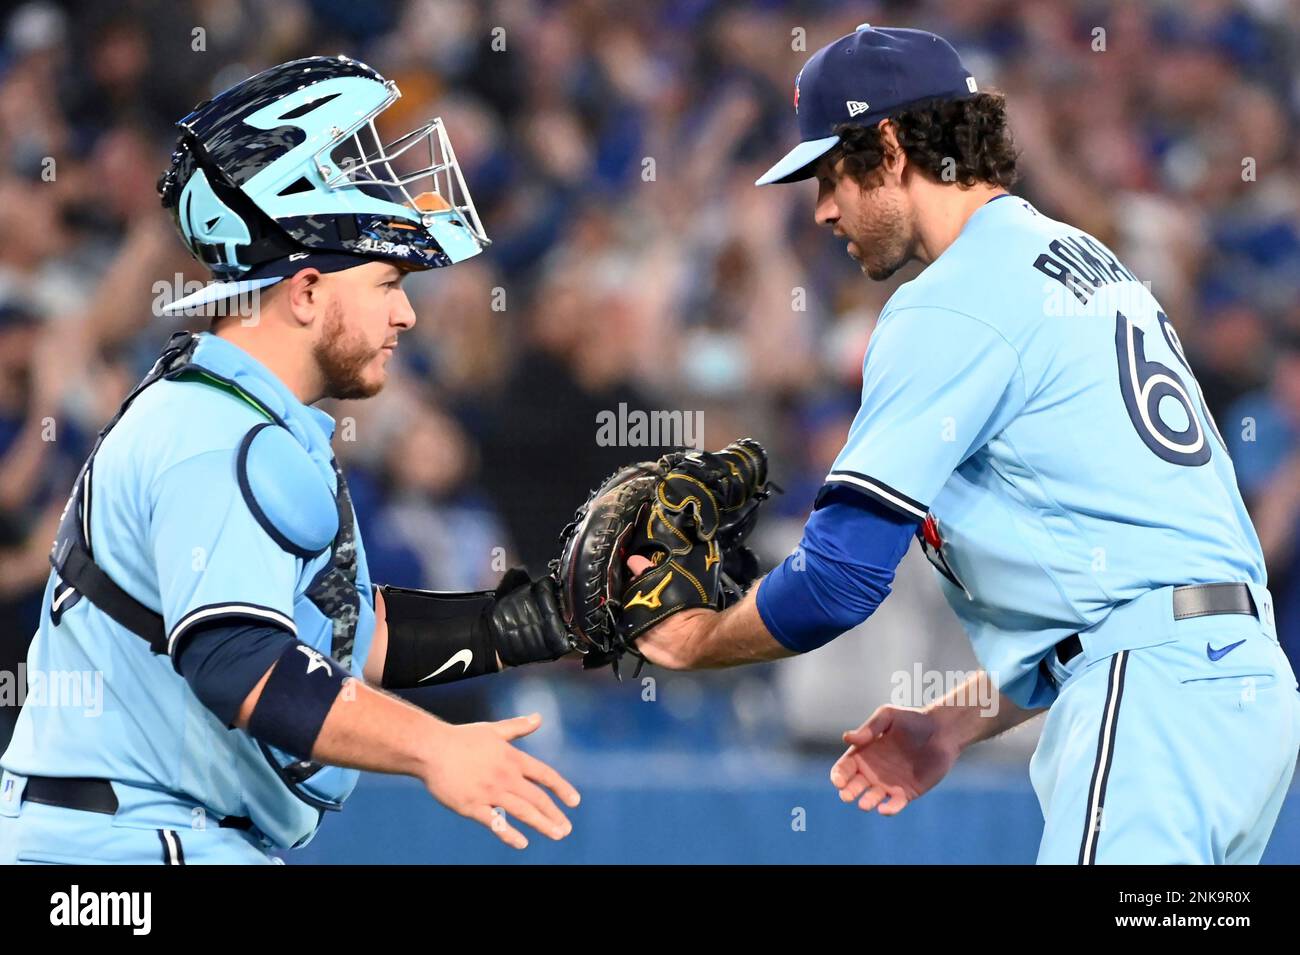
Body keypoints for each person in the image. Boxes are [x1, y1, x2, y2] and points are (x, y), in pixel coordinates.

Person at [628, 25, 1300, 864]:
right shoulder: (1079, 258)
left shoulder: (949, 302)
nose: (822, 208)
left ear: (888, 146)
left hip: (1156, 700)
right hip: (1237, 688)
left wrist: (697, 638)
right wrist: (954, 721)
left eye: (830, 173)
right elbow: (1114, 585)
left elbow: (839, 577)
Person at [0, 56, 580, 865]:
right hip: (119, 858)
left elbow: (342, 628)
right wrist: (434, 747)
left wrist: (552, 618)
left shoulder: (239, 414)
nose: (407, 312)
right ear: (305, 292)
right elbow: (237, 660)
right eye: (386, 281)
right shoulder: (213, 434)